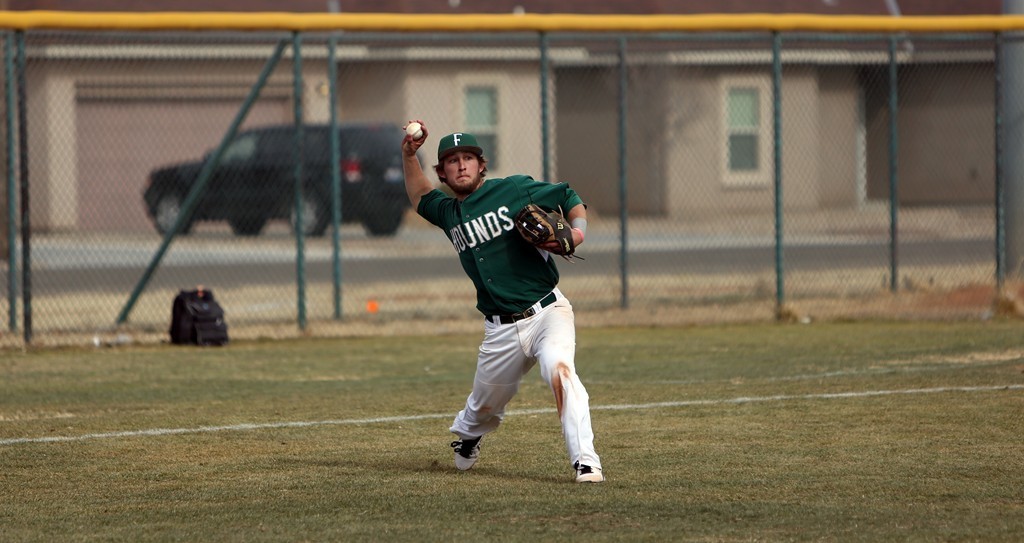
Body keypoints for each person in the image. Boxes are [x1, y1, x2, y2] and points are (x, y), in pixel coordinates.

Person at [401, 120, 604, 484]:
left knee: (560, 371)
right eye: (451, 161)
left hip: (548, 313)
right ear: (443, 172)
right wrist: (408, 155)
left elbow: (568, 196)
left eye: (468, 158)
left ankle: (586, 462)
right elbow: (418, 196)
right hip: (501, 331)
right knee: (483, 406)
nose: (461, 165)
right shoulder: (448, 213)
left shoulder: (513, 189)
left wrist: (577, 233)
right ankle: (469, 437)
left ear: (481, 165)